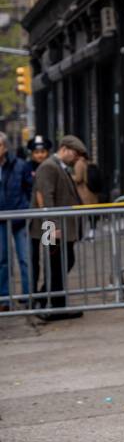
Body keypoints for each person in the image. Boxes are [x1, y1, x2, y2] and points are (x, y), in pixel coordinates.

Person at [31, 135, 86, 320]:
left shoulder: (59, 167)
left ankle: (55, 303)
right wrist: (51, 227)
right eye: (76, 154)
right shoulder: (49, 166)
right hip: (51, 227)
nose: (77, 158)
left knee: (63, 263)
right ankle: (47, 301)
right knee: (56, 265)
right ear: (65, 149)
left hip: (58, 227)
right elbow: (46, 199)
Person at [0, 132, 33, 310]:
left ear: (5, 148)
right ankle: (3, 299)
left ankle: (28, 296)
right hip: (0, 220)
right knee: (2, 260)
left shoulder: (19, 165)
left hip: (19, 217)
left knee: (24, 258)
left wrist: (27, 209)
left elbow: (30, 189)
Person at [26, 136, 52, 299]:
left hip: (49, 220)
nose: (40, 155)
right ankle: (33, 291)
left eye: (43, 152)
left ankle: (48, 289)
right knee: (33, 258)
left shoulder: (51, 167)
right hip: (34, 220)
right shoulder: (26, 168)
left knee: (50, 256)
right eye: (37, 152)